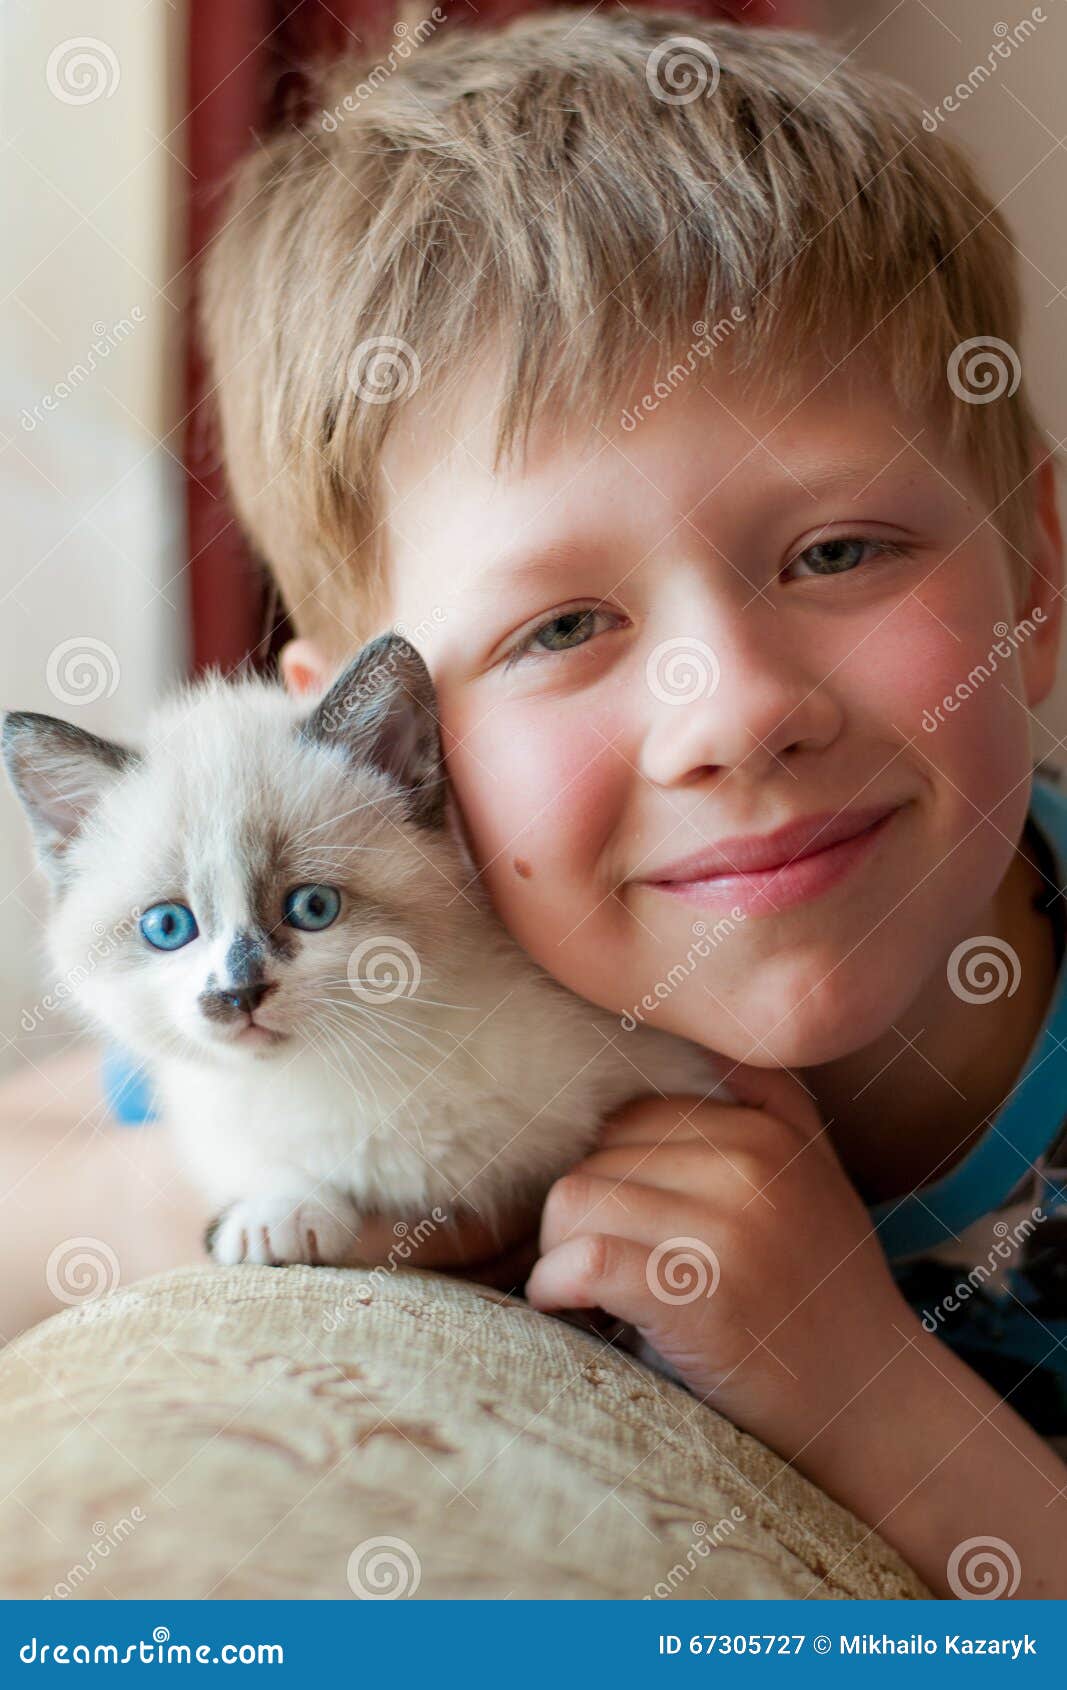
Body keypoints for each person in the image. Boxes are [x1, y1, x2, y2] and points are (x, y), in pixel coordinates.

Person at [4, 9, 1065, 1596]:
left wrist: (875, 1398)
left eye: (841, 551)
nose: (736, 716)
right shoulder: (380, 983)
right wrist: (247, 1181)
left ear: (1037, 569)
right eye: (561, 626)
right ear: (377, 764)